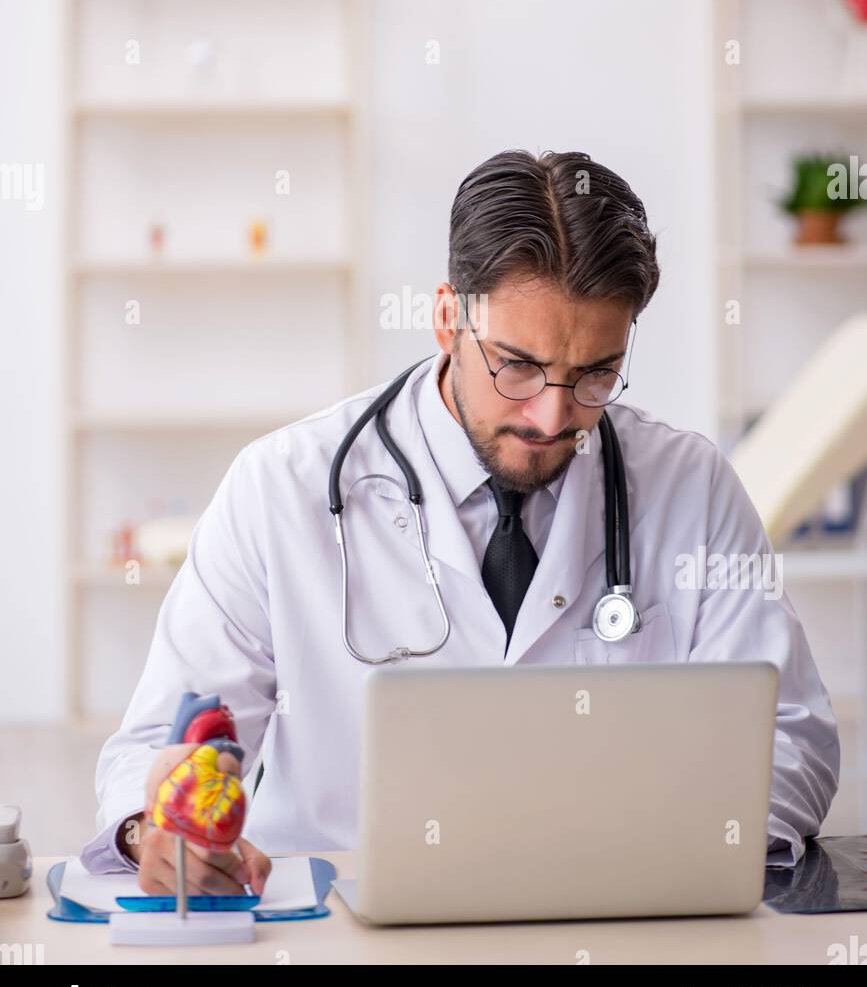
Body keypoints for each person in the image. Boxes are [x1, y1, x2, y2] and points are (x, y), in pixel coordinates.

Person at [80, 150, 840, 893]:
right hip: (341, 937)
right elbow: (155, 749)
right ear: (447, 318)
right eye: (516, 365)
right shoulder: (281, 487)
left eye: (594, 376)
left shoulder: (690, 486)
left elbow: (792, 734)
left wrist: (681, 856)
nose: (550, 414)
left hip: (613, 919)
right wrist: (155, 832)